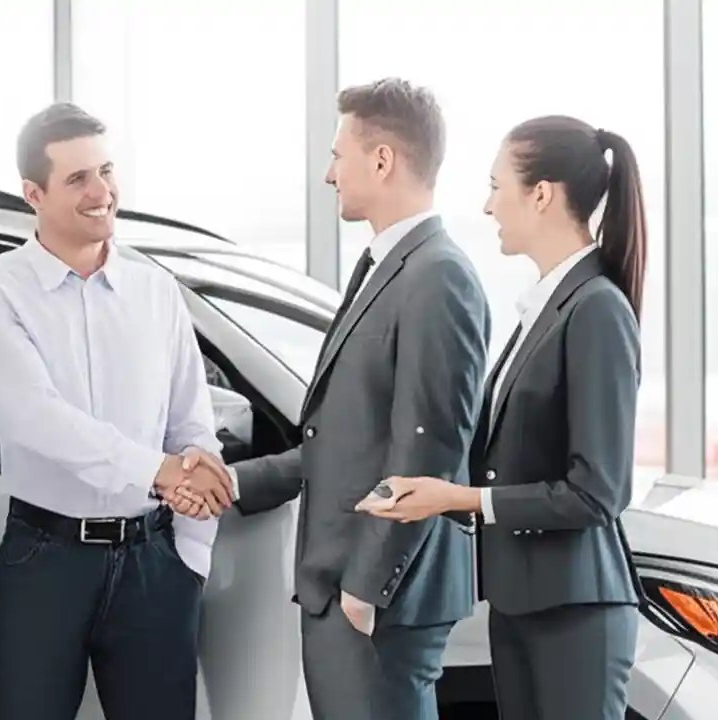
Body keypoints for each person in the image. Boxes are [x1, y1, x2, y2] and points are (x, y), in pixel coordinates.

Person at [183, 78, 490, 719]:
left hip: (377, 598)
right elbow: (347, 440)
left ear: (382, 161)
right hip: (350, 591)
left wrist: (365, 588)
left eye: (337, 154)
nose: (328, 175)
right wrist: (236, 482)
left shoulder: (438, 277)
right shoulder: (390, 266)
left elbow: (428, 446)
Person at [360, 115, 647, 720]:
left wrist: (458, 499)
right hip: (523, 605)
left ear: (541, 194)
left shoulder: (596, 309)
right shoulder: (543, 308)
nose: (488, 206)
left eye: (496, 186)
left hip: (575, 611)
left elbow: (597, 493)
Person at [0, 102, 234, 720]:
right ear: (34, 193)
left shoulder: (154, 289)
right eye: (78, 178)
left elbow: (191, 419)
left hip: (155, 562)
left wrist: (192, 543)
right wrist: (161, 471)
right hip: (46, 559)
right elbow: (32, 415)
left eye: (107, 171)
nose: (102, 191)